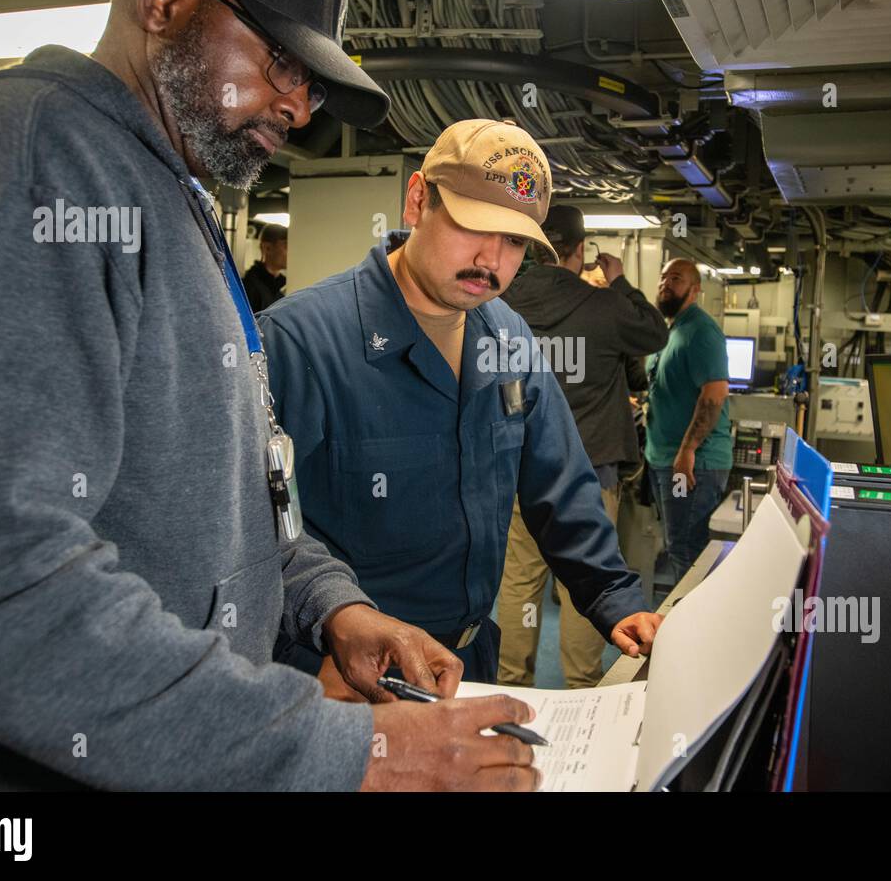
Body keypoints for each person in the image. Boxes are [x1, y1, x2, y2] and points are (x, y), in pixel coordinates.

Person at [0, 0, 540, 792]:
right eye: (282, 66)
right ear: (164, 0)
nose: (300, 110)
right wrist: (342, 752)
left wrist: (329, 608)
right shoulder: (35, 165)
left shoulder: (169, 192)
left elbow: (243, 494)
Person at [258, 119, 664, 690]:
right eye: (474, 226)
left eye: (516, 242)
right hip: (344, 679)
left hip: (471, 664)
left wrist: (615, 599)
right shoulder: (300, 343)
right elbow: (255, 529)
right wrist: (330, 622)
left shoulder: (510, 339)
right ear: (417, 199)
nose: (492, 260)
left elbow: (561, 487)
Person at [495, 205, 668, 688]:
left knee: (520, 582)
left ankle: (510, 683)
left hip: (519, 465)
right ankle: (583, 687)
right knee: (583, 581)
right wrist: (618, 282)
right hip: (591, 470)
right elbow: (656, 331)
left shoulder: (505, 301)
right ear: (580, 250)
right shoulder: (603, 306)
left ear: (533, 247)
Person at [645, 258, 732, 585]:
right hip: (664, 458)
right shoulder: (672, 329)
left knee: (686, 549)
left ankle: (693, 630)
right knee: (678, 545)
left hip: (692, 464)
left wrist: (687, 451)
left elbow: (714, 394)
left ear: (695, 291)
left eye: (677, 279)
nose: (666, 283)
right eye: (663, 277)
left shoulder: (701, 331)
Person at [243, 222, 288, 311]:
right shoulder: (250, 287)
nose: (291, 251)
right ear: (267, 248)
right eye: (286, 245)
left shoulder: (278, 289)